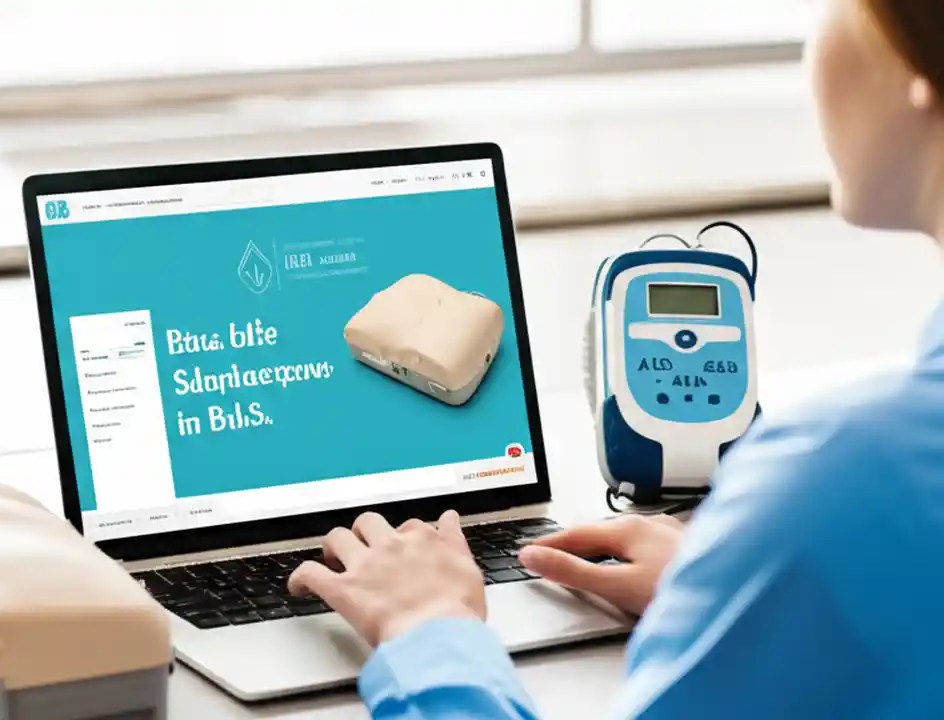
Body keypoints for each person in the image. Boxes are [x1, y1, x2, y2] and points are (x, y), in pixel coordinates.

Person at [287, 0, 944, 717]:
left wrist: (426, 634)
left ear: (920, 71)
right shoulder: (856, 494)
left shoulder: (840, 483)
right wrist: (739, 582)